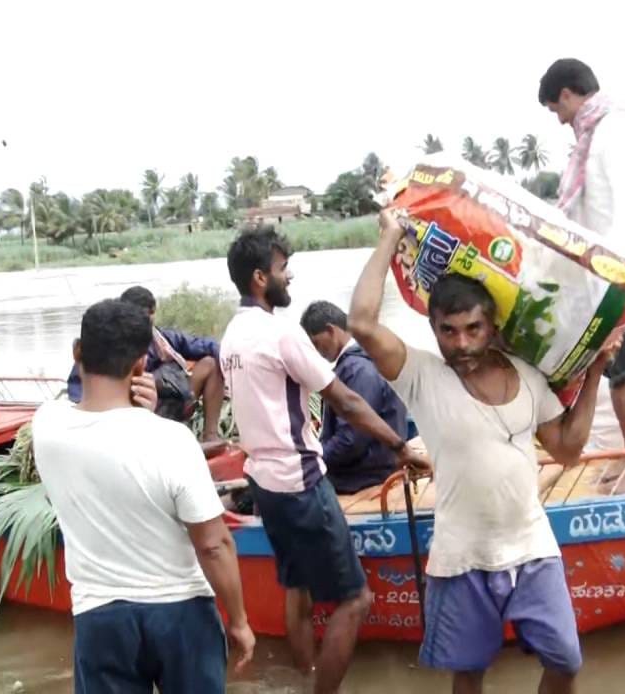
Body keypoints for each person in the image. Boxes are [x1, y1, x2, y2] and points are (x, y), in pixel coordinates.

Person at [348, 209, 618, 694]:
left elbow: (567, 449)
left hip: (532, 548)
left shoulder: (528, 376)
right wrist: (390, 236)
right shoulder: (422, 376)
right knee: (469, 673)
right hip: (462, 557)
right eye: (448, 331)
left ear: (492, 326)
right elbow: (361, 323)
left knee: (565, 660)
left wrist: (596, 371)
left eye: (473, 328)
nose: (461, 343)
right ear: (434, 329)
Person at [219, 225, 425, 694]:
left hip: (265, 482)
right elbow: (346, 401)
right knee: (356, 600)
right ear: (259, 278)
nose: (288, 276)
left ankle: (305, 676)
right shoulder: (280, 333)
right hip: (301, 482)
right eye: (282, 268)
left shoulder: (232, 336)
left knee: (298, 588)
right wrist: (400, 447)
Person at [32, 299, 255, 694]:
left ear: (77, 353)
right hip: (182, 613)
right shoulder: (171, 440)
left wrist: (141, 415)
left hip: (100, 617)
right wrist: (238, 621)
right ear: (140, 366)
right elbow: (214, 544)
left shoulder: (46, 425)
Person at [538, 57, 625, 492]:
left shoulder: (616, 129)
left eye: (556, 109)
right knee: (618, 373)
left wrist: (617, 278)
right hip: (616, 275)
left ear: (568, 94)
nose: (560, 120)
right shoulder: (598, 133)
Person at [66, 286, 225, 442]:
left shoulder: (162, 339)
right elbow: (78, 393)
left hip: (172, 400)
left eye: (148, 315)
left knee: (210, 363)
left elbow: (201, 345)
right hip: (129, 416)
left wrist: (229, 354)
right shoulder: (105, 348)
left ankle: (210, 435)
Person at [299, 300, 408, 494]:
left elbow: (351, 440)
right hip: (376, 464)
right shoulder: (368, 357)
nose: (316, 352)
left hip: (364, 474)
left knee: (291, 488)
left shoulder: (356, 369)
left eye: (315, 343)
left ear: (331, 330)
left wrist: (315, 459)